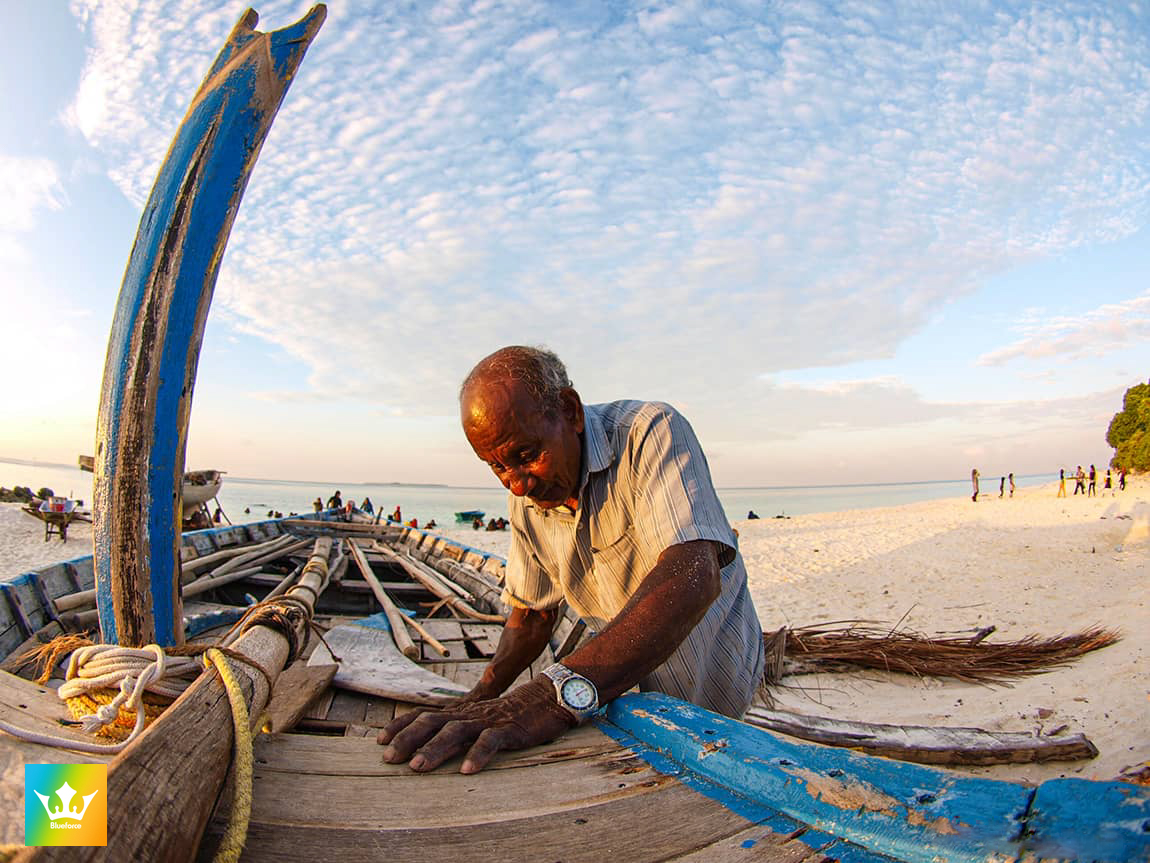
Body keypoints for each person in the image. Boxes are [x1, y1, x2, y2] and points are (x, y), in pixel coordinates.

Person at [379, 345, 764, 775]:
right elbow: (532, 616)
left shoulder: (648, 431)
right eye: (496, 467)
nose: (517, 484)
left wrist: (548, 696)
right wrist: (481, 697)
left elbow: (694, 574)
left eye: (526, 456)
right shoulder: (524, 501)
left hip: (712, 695)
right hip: (621, 697)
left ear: (570, 410)